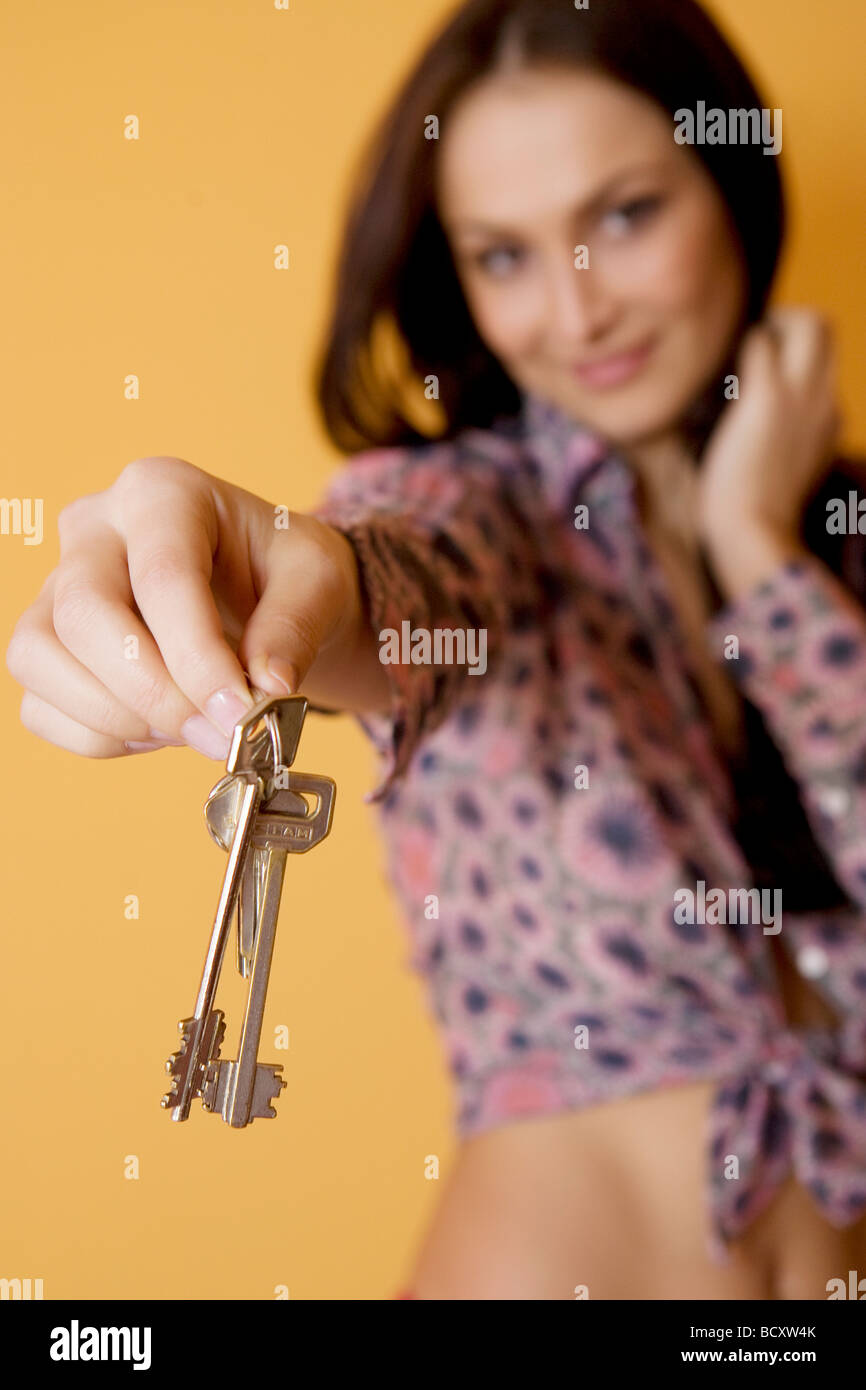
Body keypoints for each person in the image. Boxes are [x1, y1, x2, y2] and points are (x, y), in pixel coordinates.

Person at [7, 0, 866, 1299]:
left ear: (729, 189)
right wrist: (291, 571)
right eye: (502, 254)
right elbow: (396, 573)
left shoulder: (831, 556)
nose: (573, 310)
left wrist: (755, 544)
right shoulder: (484, 514)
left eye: (622, 216)